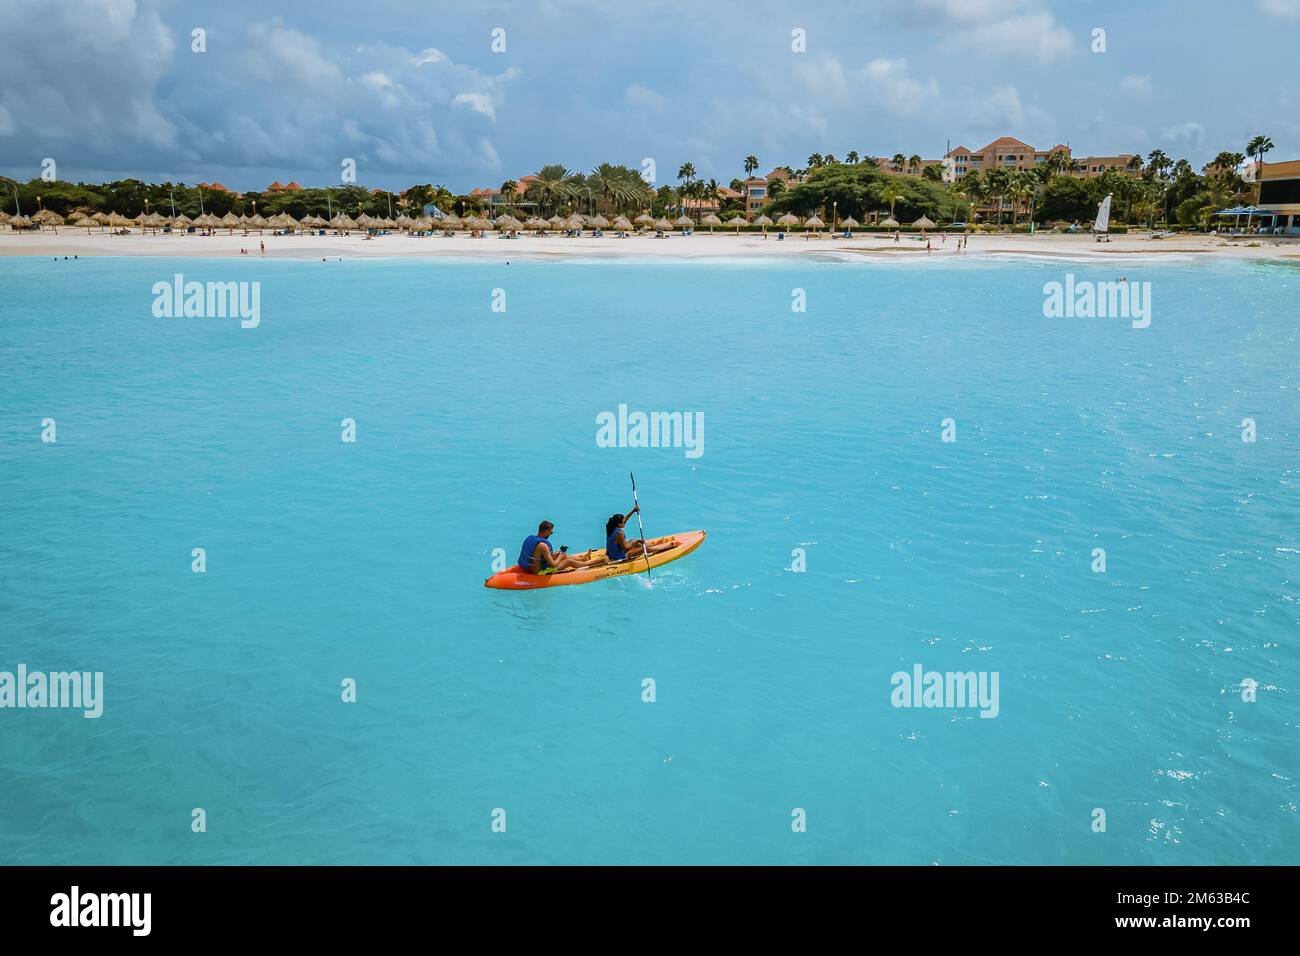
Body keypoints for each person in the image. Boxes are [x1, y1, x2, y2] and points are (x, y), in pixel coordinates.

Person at [517, 521, 597, 574]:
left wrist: (555, 556)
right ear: (546, 531)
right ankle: (590, 563)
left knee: (562, 555)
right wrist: (559, 557)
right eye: (551, 532)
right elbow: (553, 565)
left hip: (529, 568)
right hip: (540, 572)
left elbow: (536, 556)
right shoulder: (543, 546)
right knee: (568, 561)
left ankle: (583, 559)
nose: (551, 534)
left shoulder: (530, 538)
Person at [604, 506, 676, 564]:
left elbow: (624, 519)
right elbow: (625, 548)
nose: (625, 523)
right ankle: (664, 548)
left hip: (610, 553)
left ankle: (653, 544)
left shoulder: (610, 526)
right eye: (623, 522)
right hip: (618, 557)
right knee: (643, 548)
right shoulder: (620, 533)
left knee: (632, 541)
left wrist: (633, 511)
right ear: (619, 524)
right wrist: (635, 543)